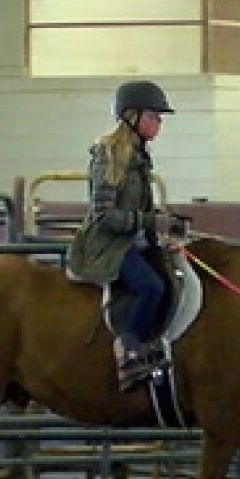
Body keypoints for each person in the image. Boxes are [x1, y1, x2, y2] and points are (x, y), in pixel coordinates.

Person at [66, 79, 176, 390]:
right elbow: (105, 216)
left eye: (159, 118)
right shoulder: (109, 156)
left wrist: (164, 227)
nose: (158, 124)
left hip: (131, 240)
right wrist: (151, 222)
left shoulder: (139, 157)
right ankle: (127, 351)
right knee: (150, 287)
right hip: (107, 245)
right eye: (153, 117)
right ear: (131, 116)